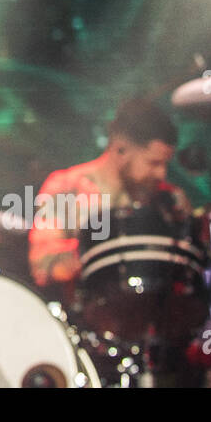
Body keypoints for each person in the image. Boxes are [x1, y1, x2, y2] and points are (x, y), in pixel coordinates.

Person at [28, 98, 192, 290]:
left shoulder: (168, 198)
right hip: (86, 312)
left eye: (165, 164)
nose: (161, 173)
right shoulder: (67, 186)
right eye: (153, 163)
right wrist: (98, 251)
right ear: (121, 149)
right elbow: (43, 263)